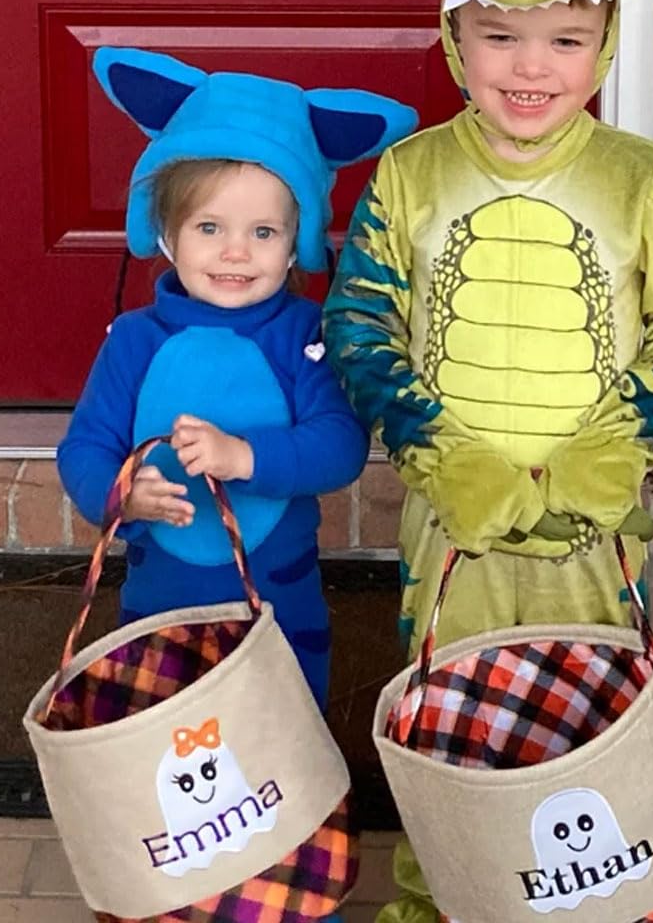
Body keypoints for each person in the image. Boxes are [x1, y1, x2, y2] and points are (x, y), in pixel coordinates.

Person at [322, 0, 653, 920]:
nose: (530, 67)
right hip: (452, 529)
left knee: (587, 720)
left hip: (590, 528)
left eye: (564, 39)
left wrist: (608, 456)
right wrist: (443, 457)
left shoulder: (639, 178)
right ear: (452, 32)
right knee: (447, 726)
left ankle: (576, 902)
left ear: (604, 42)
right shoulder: (410, 175)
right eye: (498, 34)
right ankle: (442, 896)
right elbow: (357, 322)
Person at [58, 46, 418, 719]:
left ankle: (290, 817)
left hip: (277, 603)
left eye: (263, 231)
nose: (235, 252)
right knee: (166, 734)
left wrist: (244, 457)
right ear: (166, 235)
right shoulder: (136, 340)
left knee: (280, 728)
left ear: (297, 241)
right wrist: (120, 495)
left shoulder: (305, 333)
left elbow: (339, 444)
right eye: (209, 227)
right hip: (158, 600)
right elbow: (84, 446)